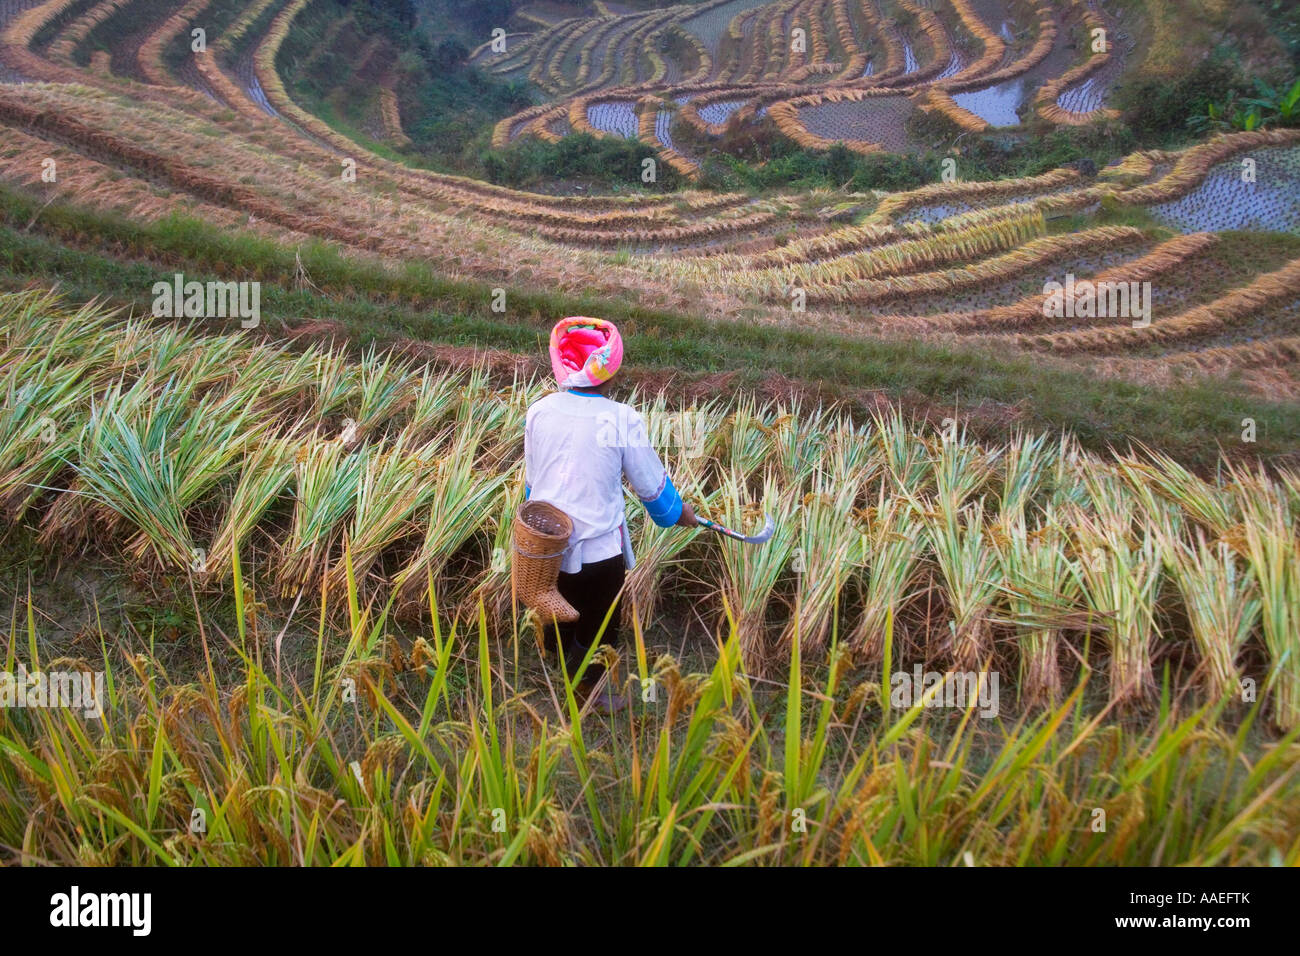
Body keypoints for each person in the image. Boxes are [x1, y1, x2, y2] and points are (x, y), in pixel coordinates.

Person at [524, 316, 696, 713]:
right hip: (600, 552)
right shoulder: (622, 418)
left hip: (546, 544)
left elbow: (533, 484)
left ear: (563, 364)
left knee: (559, 607)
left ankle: (563, 668)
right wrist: (677, 512)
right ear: (611, 370)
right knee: (599, 622)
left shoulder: (540, 411)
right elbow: (650, 486)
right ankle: (589, 693)